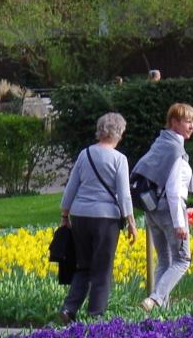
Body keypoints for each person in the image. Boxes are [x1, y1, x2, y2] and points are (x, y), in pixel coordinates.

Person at [58, 112, 136, 321]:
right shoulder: (119, 159)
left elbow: (71, 186)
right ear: (118, 132)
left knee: (82, 265)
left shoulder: (85, 154)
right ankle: (95, 315)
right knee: (102, 268)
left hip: (80, 215)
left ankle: (69, 308)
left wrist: (65, 214)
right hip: (106, 218)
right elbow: (124, 194)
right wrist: (130, 222)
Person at [135, 102, 193, 312]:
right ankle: (155, 299)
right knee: (182, 260)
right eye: (188, 121)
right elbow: (174, 191)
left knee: (164, 259)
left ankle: (161, 311)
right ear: (174, 122)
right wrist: (179, 223)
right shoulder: (175, 150)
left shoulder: (159, 144)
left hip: (152, 211)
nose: (192, 126)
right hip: (170, 212)